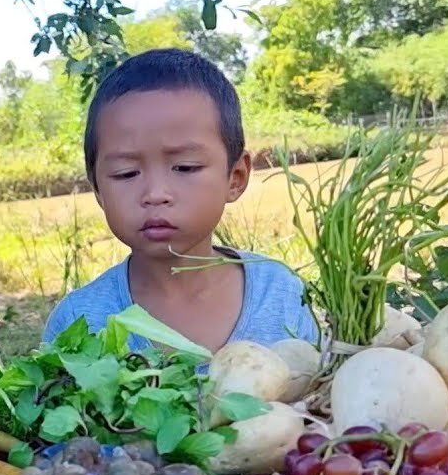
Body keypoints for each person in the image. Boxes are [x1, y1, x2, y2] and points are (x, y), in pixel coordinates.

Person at [42, 48, 319, 353]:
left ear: (235, 177)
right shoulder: (79, 324)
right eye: (126, 173)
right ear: (98, 190)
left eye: (185, 167)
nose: (155, 194)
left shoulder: (282, 294)